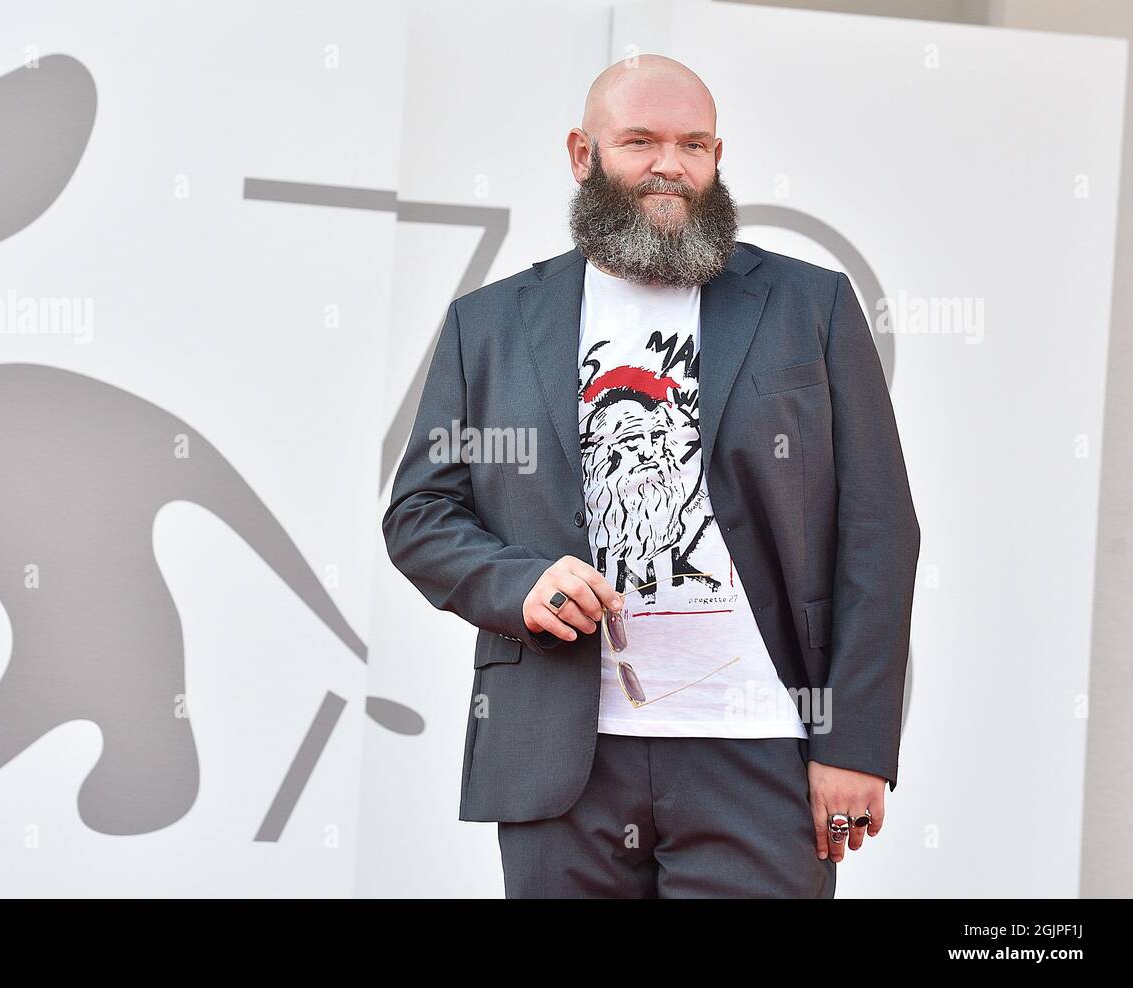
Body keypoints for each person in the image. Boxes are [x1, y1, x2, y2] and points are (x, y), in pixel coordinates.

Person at [382, 53, 919, 898]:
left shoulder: (809, 306)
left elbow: (879, 531)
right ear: (582, 154)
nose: (671, 164)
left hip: (761, 754)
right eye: (640, 140)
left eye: (694, 144)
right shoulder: (485, 326)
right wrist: (519, 582)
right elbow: (420, 513)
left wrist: (853, 742)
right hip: (560, 762)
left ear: (716, 157)